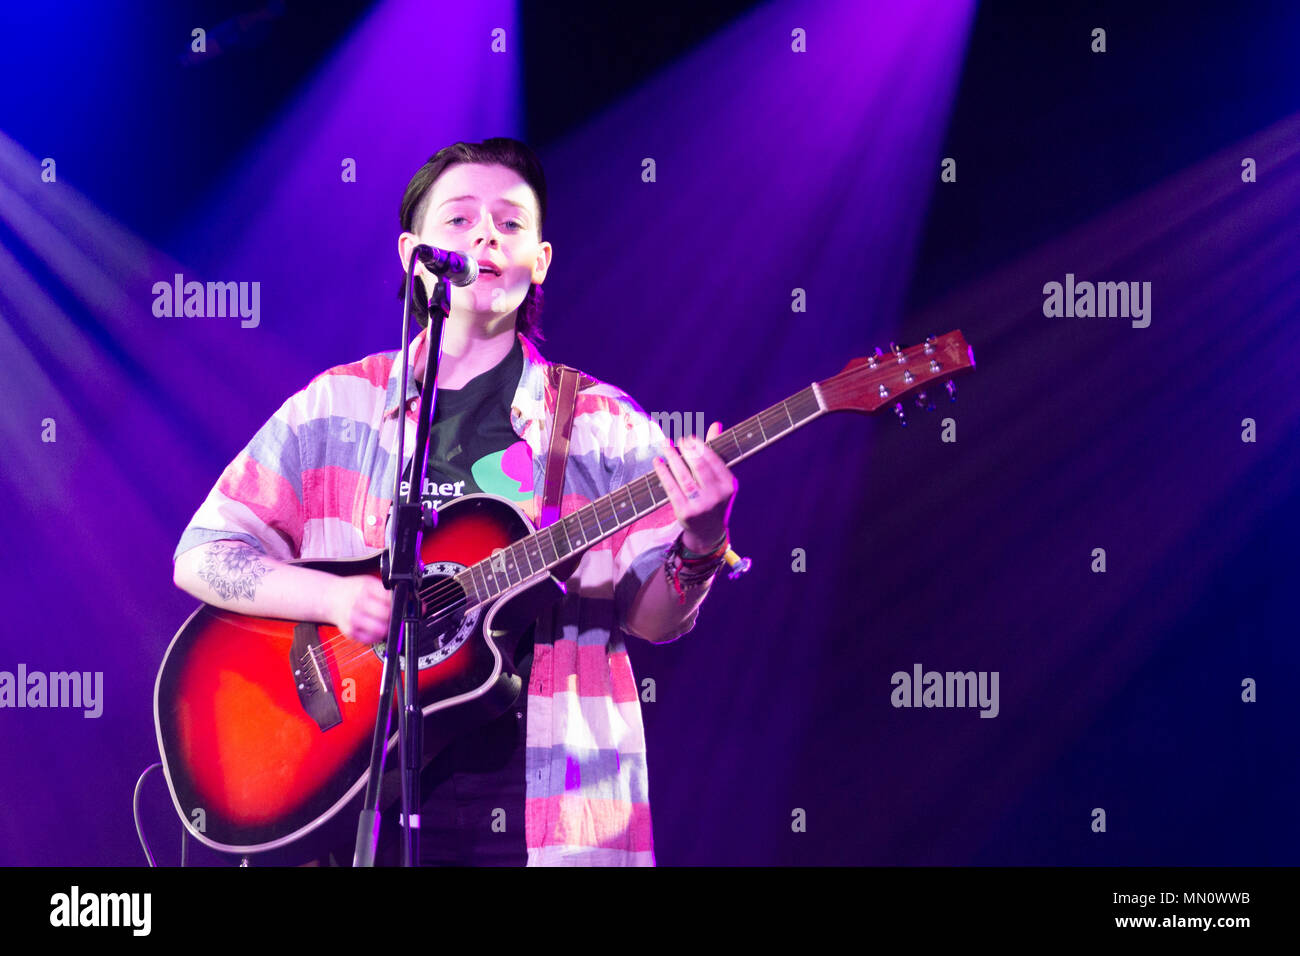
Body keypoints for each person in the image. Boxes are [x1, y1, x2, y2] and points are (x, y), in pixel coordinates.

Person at [171, 137, 738, 866]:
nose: (484, 237)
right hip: (354, 792)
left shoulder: (600, 423)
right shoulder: (336, 405)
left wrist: (701, 539)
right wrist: (335, 601)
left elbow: (655, 620)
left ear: (540, 261)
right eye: (460, 220)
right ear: (413, 254)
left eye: (509, 224)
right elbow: (204, 555)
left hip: (548, 794)